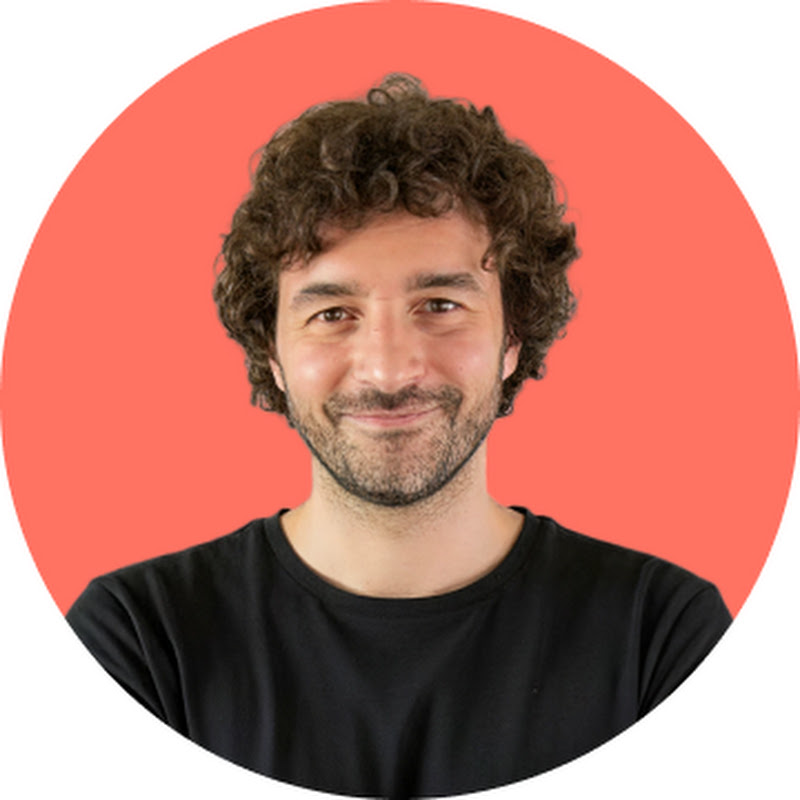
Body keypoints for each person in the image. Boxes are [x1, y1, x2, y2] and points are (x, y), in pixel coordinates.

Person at [67, 74, 731, 798]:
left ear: (513, 339)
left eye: (439, 305)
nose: (388, 370)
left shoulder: (660, 637)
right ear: (271, 353)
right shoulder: (141, 640)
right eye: (333, 314)